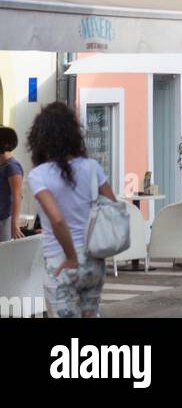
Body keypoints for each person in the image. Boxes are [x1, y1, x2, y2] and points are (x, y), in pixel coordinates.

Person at [25, 102, 118, 319]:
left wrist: (71, 256)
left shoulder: (39, 175)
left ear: (40, 137)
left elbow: (57, 219)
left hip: (62, 259)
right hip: (93, 260)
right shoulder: (91, 167)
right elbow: (113, 206)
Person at [0, 128, 24, 242]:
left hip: (5, 221)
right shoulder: (2, 166)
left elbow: (17, 197)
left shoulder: (12, 167)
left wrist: (14, 224)